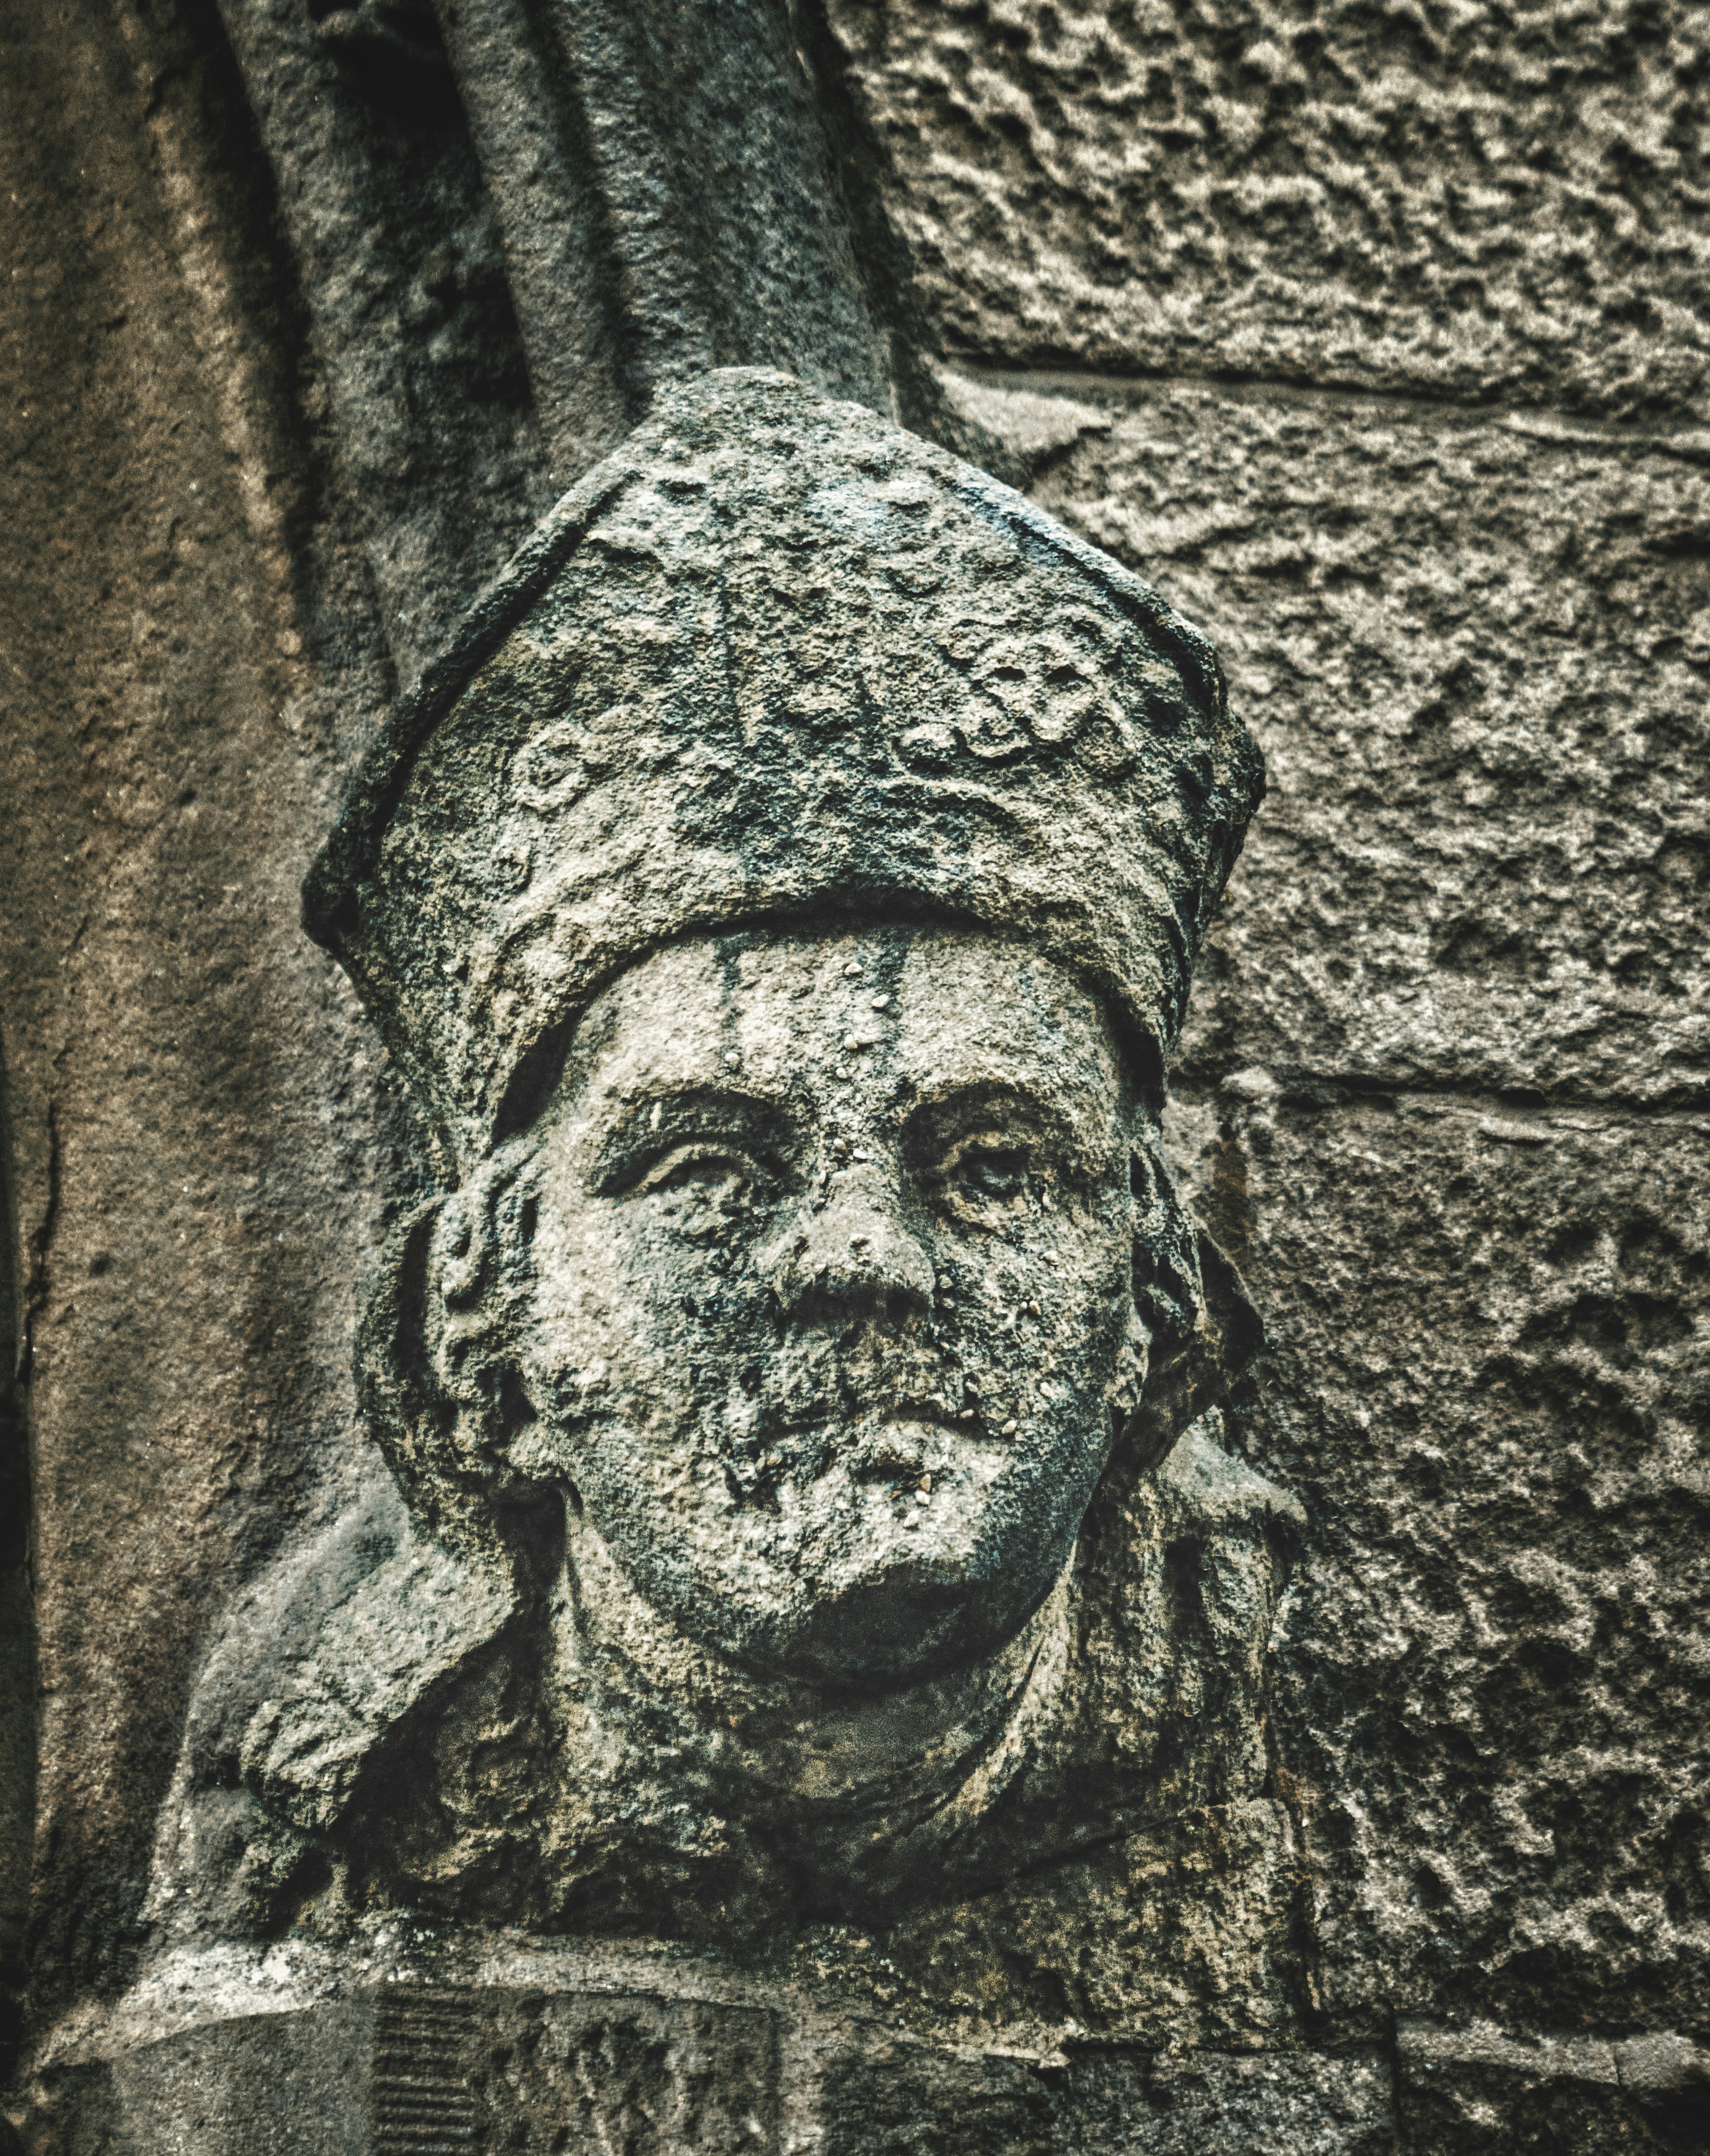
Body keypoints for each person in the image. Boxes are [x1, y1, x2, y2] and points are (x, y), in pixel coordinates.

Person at [151, 369, 1281, 1950]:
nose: (863, 1257)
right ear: (495, 1328)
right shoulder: (337, 1784)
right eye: (704, 1171)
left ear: (1149, 1306)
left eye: (994, 1166)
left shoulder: (1211, 1644)